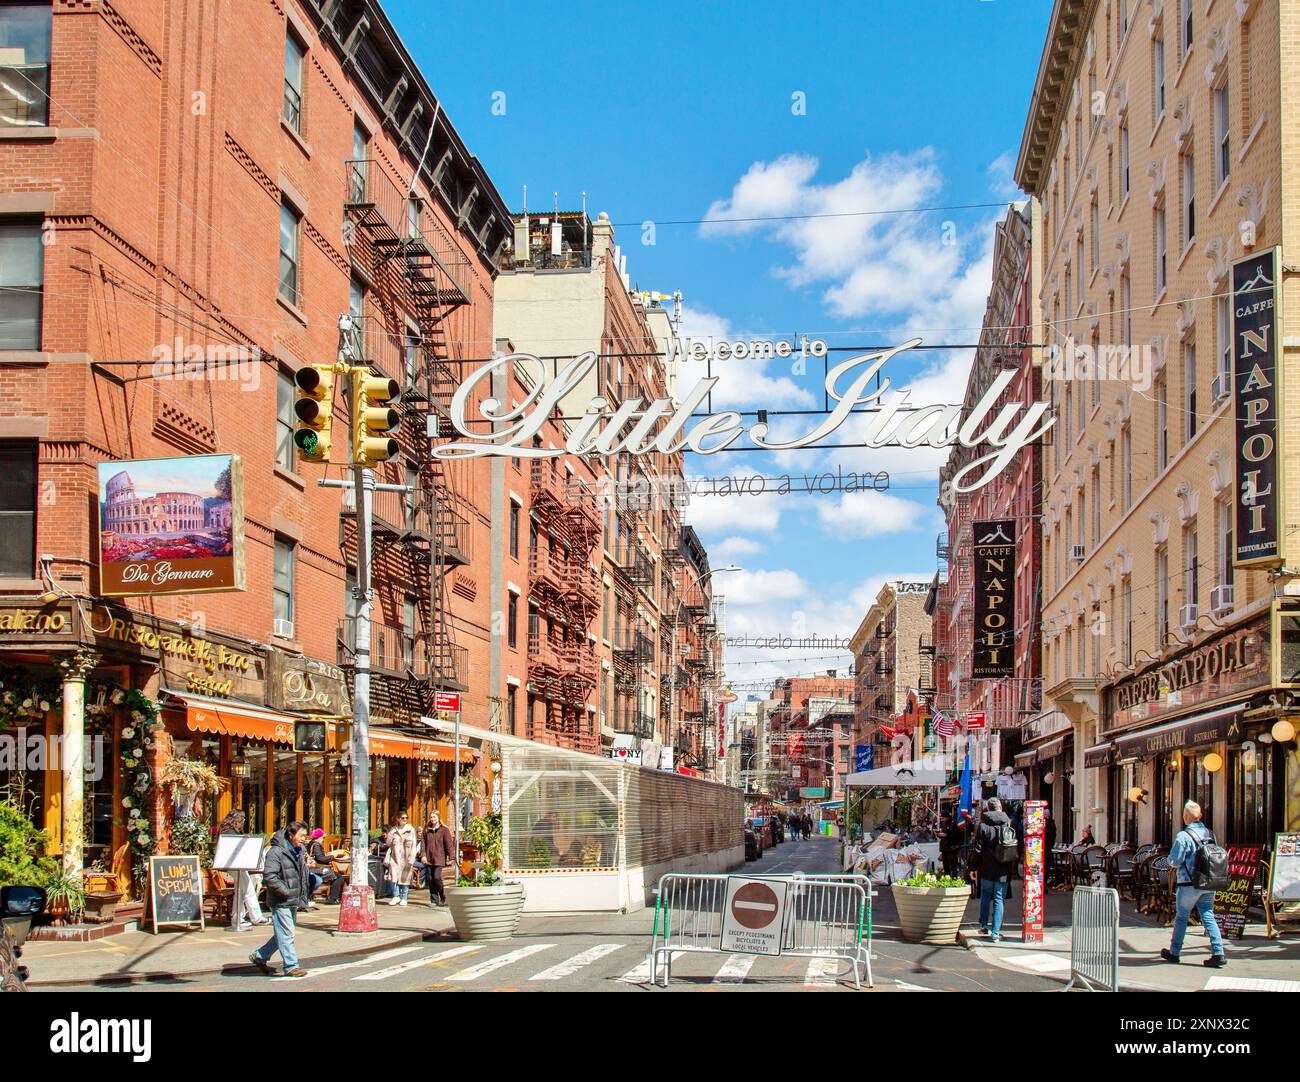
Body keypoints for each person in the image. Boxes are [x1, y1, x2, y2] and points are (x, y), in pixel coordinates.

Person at [1160, 801, 1227, 968]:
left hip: (1188, 883)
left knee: (1182, 917)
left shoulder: (1183, 836)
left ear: (1185, 817)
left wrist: (1169, 861)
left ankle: (1174, 952)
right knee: (1208, 914)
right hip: (1208, 881)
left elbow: (1175, 861)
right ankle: (1218, 952)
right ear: (1201, 816)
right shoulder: (1210, 834)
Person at [248, 820, 310, 978]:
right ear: (291, 835)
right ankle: (291, 966)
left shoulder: (299, 849)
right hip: (281, 899)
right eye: (301, 835)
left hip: (293, 898)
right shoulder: (276, 852)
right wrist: (286, 891)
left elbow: (301, 874)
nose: (304, 838)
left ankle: (259, 956)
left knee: (283, 933)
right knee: (287, 933)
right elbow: (269, 875)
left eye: (305, 835)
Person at [216, 808, 269, 931]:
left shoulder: (227, 830)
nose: (243, 824)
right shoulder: (230, 832)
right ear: (237, 820)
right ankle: (256, 917)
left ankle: (238, 919)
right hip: (235, 865)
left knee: (240, 891)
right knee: (248, 889)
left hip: (235, 865)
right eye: (242, 821)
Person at [974, 798, 1019, 941]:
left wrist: (973, 867)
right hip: (1003, 867)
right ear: (1000, 807)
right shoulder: (1008, 823)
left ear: (988, 808)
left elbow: (977, 849)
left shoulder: (983, 825)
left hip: (986, 867)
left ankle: (983, 925)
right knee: (999, 898)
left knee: (985, 896)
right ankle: (995, 932)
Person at [419, 812, 455, 907]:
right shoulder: (426, 830)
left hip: (439, 857)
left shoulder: (444, 830)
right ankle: (434, 900)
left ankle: (443, 896)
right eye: (431, 817)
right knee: (430, 879)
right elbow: (423, 844)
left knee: (436, 877)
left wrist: (452, 857)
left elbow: (449, 844)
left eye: (434, 817)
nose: (432, 819)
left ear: (438, 818)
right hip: (429, 857)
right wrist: (423, 855)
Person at [384, 812, 419, 906]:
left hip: (406, 857)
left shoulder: (410, 830)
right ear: (398, 819)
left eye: (406, 818)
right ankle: (396, 896)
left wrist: (412, 857)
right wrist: (391, 833)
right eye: (403, 818)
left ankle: (404, 897)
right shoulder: (394, 830)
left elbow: (414, 845)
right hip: (395, 858)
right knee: (393, 876)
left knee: (405, 877)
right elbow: (388, 843)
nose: (405, 819)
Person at [306, 828, 344, 905]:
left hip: (314, 868)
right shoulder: (316, 845)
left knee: (336, 875)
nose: (323, 840)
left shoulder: (312, 843)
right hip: (317, 868)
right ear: (318, 837)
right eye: (322, 838)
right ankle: (333, 898)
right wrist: (332, 856)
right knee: (338, 876)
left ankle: (331, 897)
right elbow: (321, 859)